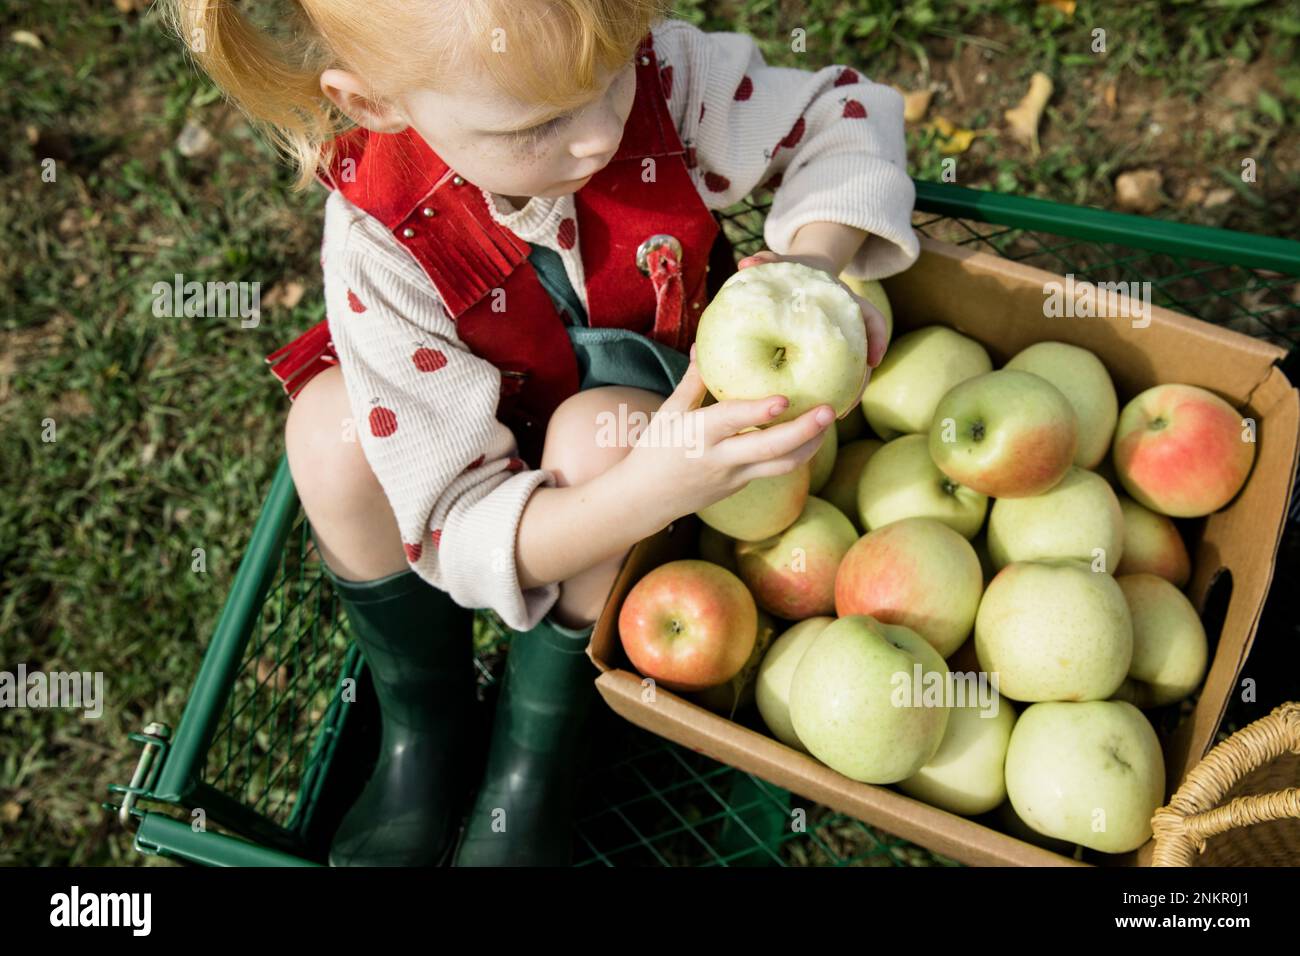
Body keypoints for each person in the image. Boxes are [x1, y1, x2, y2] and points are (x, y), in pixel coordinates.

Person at [165, 0, 919, 866]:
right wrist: (641, 495)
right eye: (542, 122)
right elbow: (455, 526)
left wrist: (807, 271)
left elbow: (846, 113)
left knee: (603, 440)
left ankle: (537, 747)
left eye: (612, 77)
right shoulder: (381, 239)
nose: (601, 134)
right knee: (328, 436)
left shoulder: (667, 80)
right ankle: (423, 727)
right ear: (376, 103)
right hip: (462, 467)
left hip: (635, 418)